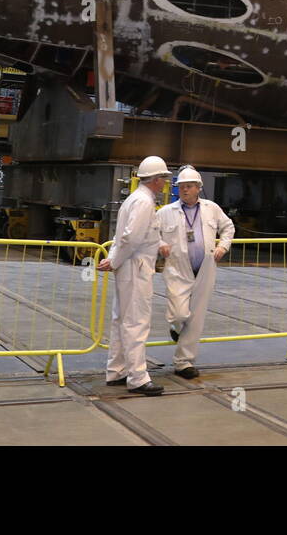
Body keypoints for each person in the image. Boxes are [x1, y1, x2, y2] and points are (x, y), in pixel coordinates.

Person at [97, 156, 170, 395]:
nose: (165, 183)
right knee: (136, 322)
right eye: (164, 178)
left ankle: (117, 370)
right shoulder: (144, 202)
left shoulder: (135, 199)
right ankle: (138, 377)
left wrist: (113, 260)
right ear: (156, 179)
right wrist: (115, 260)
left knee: (121, 319)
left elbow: (125, 236)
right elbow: (131, 238)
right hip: (136, 267)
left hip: (129, 265)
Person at [157, 166, 234, 379]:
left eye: (189, 186)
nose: (184, 190)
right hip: (177, 269)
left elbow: (228, 227)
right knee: (180, 313)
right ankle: (175, 325)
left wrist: (223, 246)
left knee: (197, 317)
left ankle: (184, 363)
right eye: (181, 186)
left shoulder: (212, 208)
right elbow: (152, 233)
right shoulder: (165, 212)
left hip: (205, 269)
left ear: (199, 188)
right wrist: (161, 243)